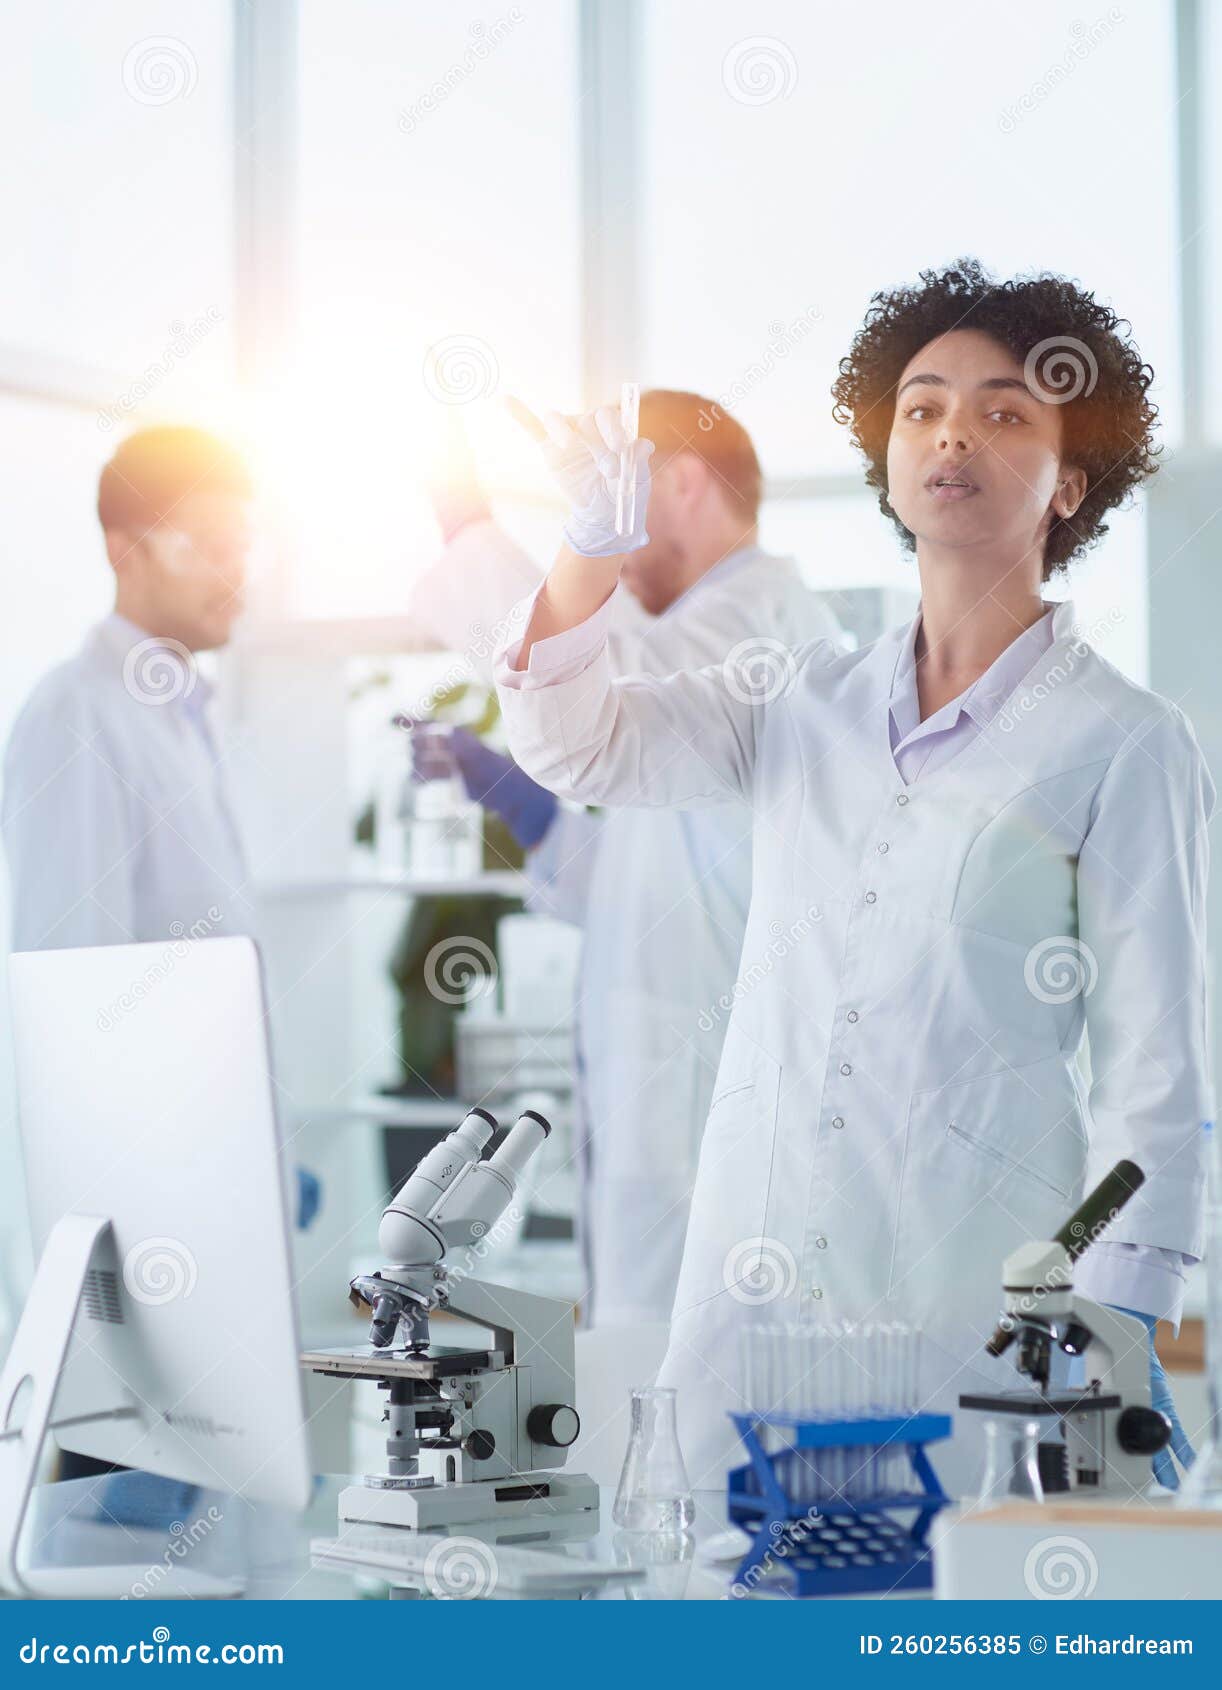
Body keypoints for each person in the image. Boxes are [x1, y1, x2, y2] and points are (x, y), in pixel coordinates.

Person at [492, 261, 1212, 1497]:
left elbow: (1157, 1064)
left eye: (1004, 411)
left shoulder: (1123, 737)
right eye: (922, 405)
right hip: (751, 1294)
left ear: (1071, 482)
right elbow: (574, 738)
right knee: (727, 1603)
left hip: (972, 1303)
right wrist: (582, 553)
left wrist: (1122, 1307)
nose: (950, 434)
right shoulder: (797, 695)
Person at [408, 393, 843, 1326]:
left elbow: (600, 665)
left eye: (617, 496)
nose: (610, 539)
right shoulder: (711, 623)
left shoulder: (754, 619)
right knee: (647, 1353)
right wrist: (528, 811)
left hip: (714, 1072)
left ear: (680, 483)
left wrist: (470, 529)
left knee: (688, 1365)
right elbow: (656, 873)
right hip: (673, 1057)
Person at [2, 425, 320, 1230]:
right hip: (142, 1197)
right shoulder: (79, 714)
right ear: (124, 549)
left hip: (214, 1167)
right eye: (209, 544)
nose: (235, 570)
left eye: (242, 545)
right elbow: (73, 991)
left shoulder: (182, 717)